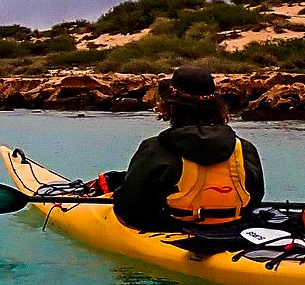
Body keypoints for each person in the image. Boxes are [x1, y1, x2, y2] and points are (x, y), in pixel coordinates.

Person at [110, 66, 263, 232]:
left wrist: (117, 194)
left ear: (171, 108)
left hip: (176, 228)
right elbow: (256, 198)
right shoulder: (245, 148)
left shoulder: (155, 149)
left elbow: (129, 209)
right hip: (234, 227)